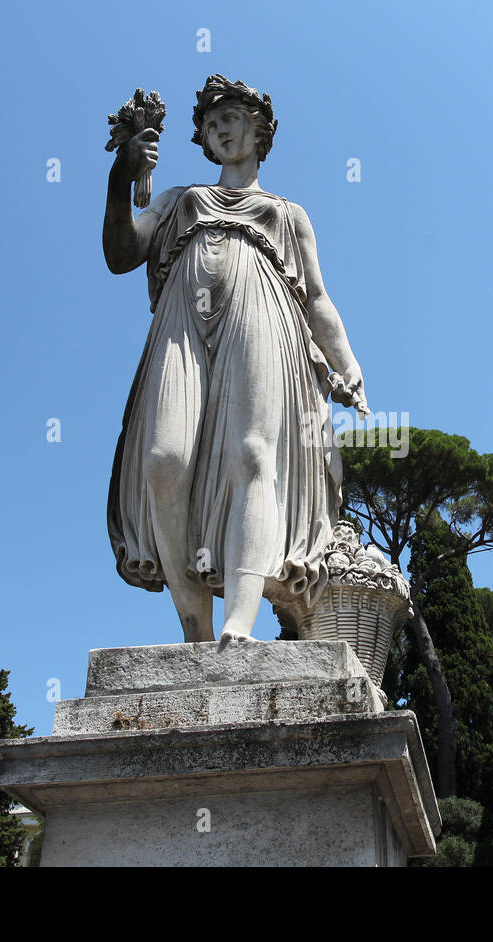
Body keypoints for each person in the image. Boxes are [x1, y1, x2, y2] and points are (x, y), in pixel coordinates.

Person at [103, 75, 366, 643]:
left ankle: (239, 623)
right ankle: (193, 623)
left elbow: (317, 297)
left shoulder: (288, 215)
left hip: (263, 311)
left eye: (233, 117)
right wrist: (120, 179)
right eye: (211, 122)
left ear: (260, 129)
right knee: (162, 460)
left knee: (253, 454)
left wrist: (346, 362)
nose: (221, 128)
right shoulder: (179, 200)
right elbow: (121, 254)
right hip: (181, 322)